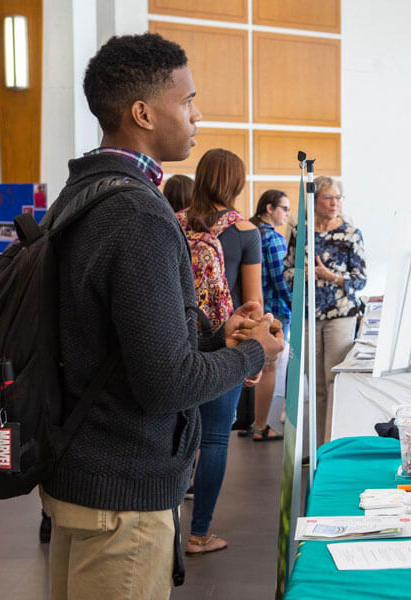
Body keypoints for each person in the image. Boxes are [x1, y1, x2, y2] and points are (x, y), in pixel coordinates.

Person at [39, 33, 284, 600]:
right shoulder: (137, 213)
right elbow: (165, 382)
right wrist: (253, 352)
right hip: (123, 497)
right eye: (188, 100)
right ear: (144, 113)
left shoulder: (84, 191)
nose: (197, 114)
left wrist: (210, 332)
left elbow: (107, 331)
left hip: (83, 476)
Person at [176, 148, 268, 553]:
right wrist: (255, 353)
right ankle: (199, 535)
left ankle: (162, 531)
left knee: (171, 437)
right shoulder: (246, 231)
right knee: (213, 439)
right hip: (225, 343)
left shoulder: (173, 223)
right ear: (236, 183)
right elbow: (253, 303)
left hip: (174, 340)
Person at [283, 176, 366, 445]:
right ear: (314, 201)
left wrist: (331, 276)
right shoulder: (300, 232)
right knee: (315, 385)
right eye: (328, 198)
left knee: (334, 380)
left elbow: (361, 279)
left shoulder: (351, 233)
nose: (334, 203)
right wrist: (302, 273)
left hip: (340, 315)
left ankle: (333, 446)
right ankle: (319, 447)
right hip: (308, 315)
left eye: (338, 198)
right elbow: (286, 272)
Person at [249, 190, 293, 441]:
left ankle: (250, 421)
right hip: (275, 312)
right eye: (284, 209)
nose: (287, 214)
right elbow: (282, 281)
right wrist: (297, 308)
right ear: (269, 208)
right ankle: (261, 425)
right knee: (269, 368)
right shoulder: (274, 240)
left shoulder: (249, 231)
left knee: (251, 367)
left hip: (253, 309)